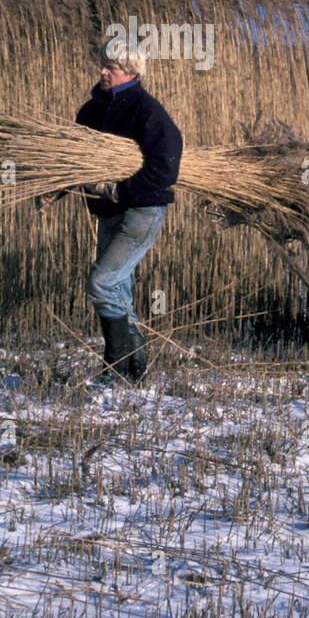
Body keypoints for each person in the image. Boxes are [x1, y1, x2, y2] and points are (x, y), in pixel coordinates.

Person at [74, 43, 183, 386]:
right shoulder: (91, 111)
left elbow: (166, 165)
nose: (104, 72)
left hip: (142, 210)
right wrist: (55, 189)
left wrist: (122, 190)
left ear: (132, 72)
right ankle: (136, 371)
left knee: (102, 283)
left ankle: (115, 367)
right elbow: (73, 161)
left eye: (113, 67)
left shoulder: (146, 110)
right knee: (118, 288)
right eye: (103, 65)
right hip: (108, 212)